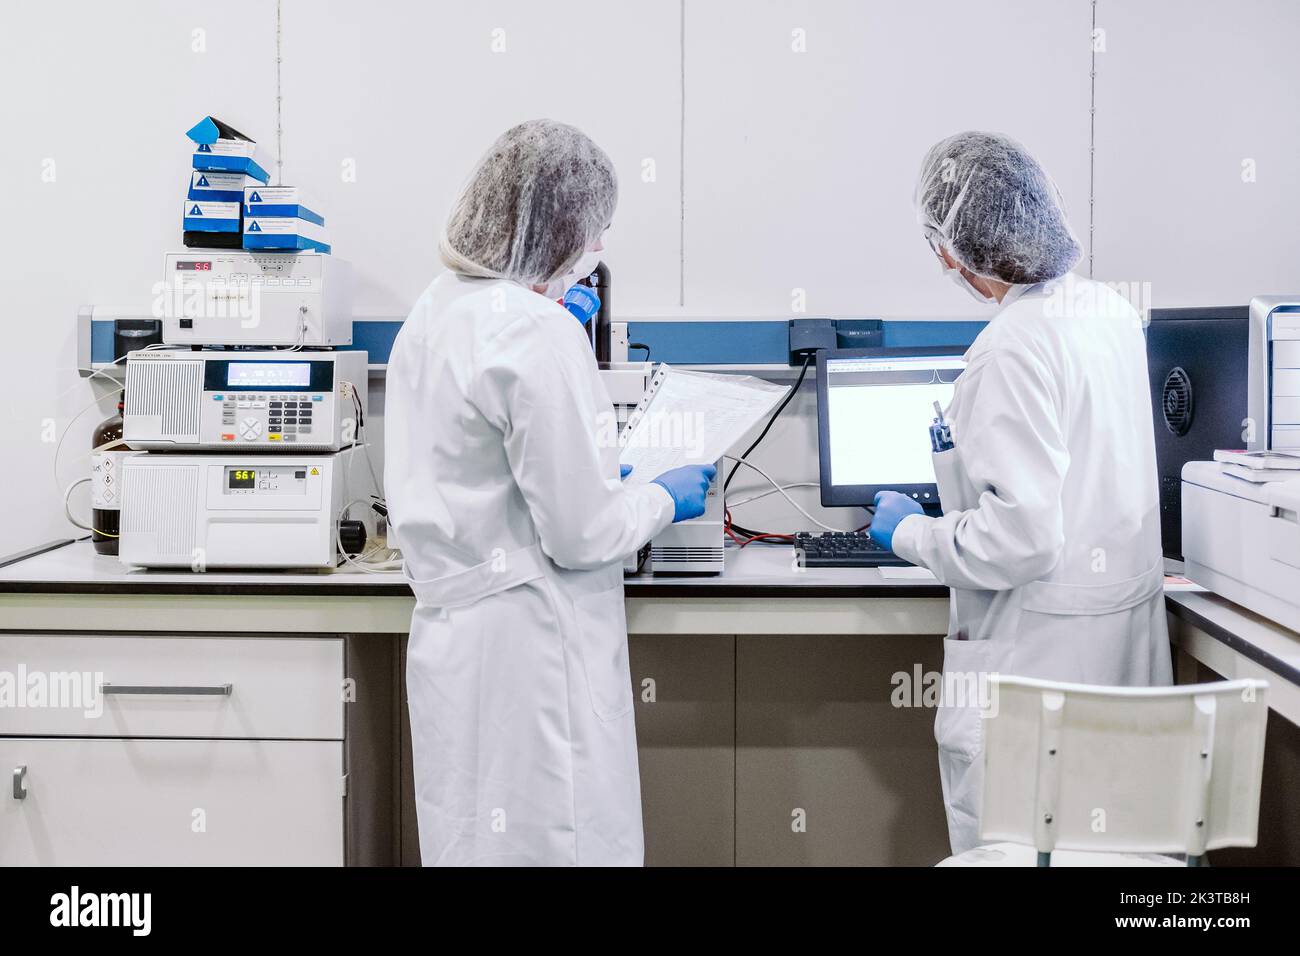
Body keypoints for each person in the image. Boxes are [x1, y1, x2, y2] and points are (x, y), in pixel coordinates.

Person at [384, 119, 715, 866]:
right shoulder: (537, 334)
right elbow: (582, 535)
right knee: (553, 843)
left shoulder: (433, 312)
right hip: (531, 658)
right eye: (594, 231)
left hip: (454, 647)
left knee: (468, 842)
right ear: (558, 226)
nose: (596, 250)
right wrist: (662, 496)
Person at [868, 131, 1172, 855]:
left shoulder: (1008, 348)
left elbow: (1022, 540)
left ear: (958, 248)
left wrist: (908, 532)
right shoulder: (1108, 313)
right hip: (1118, 662)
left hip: (1035, 683)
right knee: (1113, 856)